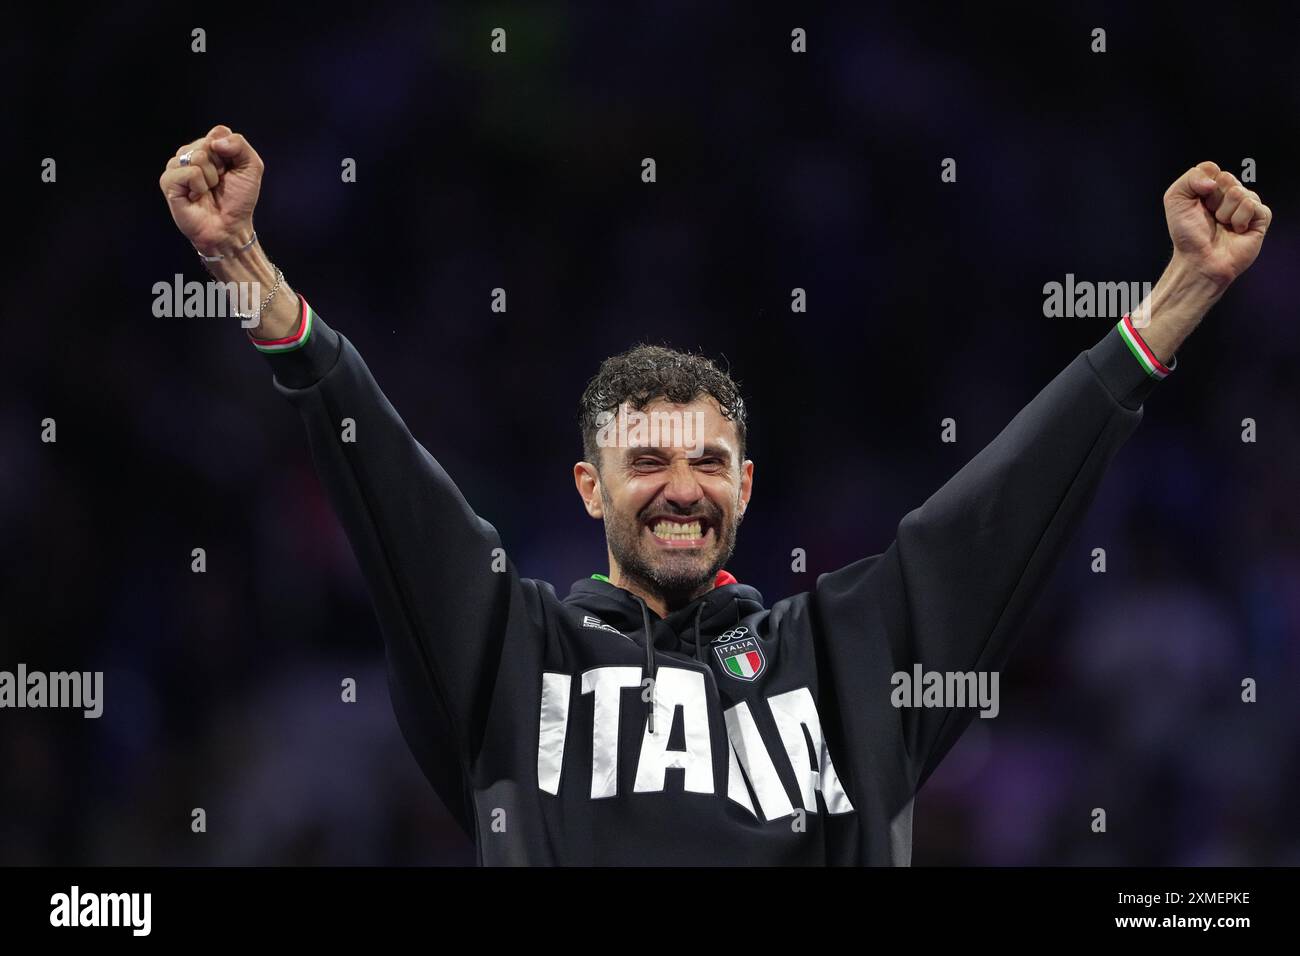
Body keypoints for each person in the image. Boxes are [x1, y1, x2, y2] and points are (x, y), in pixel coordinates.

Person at [160, 124, 1272, 865]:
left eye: (706, 462)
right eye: (646, 462)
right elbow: (393, 491)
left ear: (745, 485)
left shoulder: (843, 651)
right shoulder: (508, 651)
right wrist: (261, 288)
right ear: (591, 487)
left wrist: (1176, 298)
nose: (679, 487)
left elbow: (997, 515)